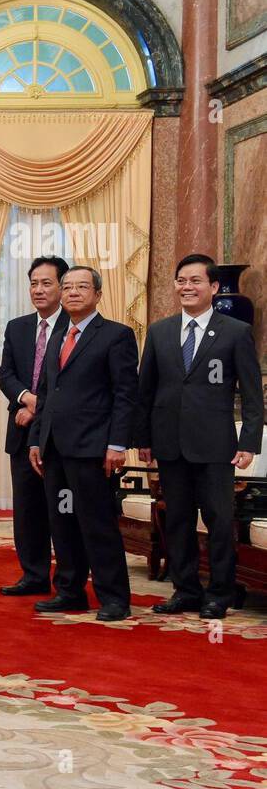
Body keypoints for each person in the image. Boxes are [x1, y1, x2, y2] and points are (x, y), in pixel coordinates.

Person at [135, 254, 263, 619]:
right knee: (177, 520)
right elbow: (146, 391)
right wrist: (143, 439)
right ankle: (185, 590)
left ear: (213, 288)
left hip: (215, 446)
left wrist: (249, 442)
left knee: (219, 521)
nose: (186, 287)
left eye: (194, 281)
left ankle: (219, 593)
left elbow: (252, 394)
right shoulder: (159, 331)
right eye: (181, 281)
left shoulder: (235, 332)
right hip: (169, 443)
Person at [28, 265, 138, 621]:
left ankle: (114, 597)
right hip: (55, 449)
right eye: (68, 286)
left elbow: (125, 395)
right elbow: (45, 394)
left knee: (97, 523)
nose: (73, 292)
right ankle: (70, 591)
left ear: (98, 295)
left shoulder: (116, 336)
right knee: (62, 521)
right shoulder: (58, 334)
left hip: (93, 449)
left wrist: (117, 444)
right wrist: (35, 440)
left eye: (81, 287)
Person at [0, 256, 70, 596]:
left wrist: (39, 408)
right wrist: (28, 399)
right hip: (22, 430)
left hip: (60, 435)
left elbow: (71, 384)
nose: (38, 290)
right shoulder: (17, 327)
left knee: (62, 508)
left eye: (46, 283)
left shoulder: (75, 326)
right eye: (34, 283)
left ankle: (69, 579)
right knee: (27, 510)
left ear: (62, 286)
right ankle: (33, 575)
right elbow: (5, 373)